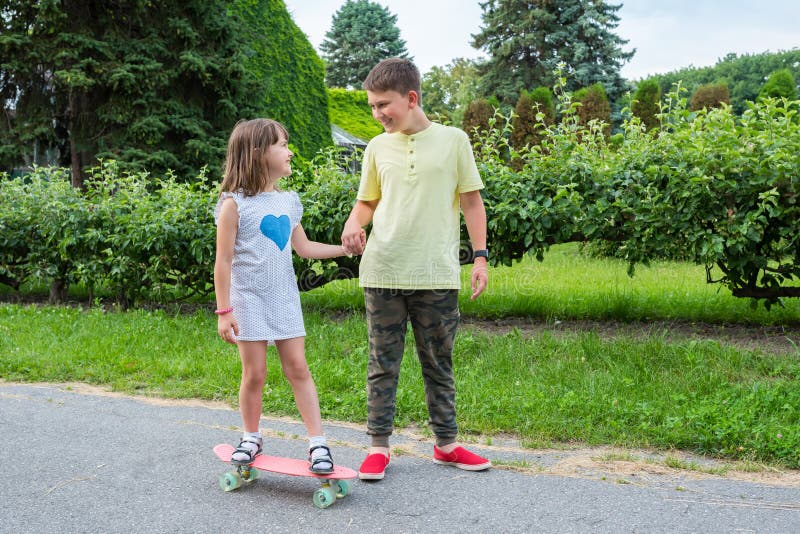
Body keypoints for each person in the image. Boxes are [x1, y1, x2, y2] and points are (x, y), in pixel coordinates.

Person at [341, 58, 491, 481]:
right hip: (383, 272)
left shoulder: (454, 141)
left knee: (438, 361)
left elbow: (472, 202)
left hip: (436, 273)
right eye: (372, 106)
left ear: (411, 98)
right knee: (381, 362)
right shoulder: (376, 147)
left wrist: (480, 257)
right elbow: (367, 203)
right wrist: (354, 225)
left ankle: (445, 444)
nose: (377, 114)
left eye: (382, 104)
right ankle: (377, 447)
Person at [214, 118, 349, 474]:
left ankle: (317, 443)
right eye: (283, 145)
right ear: (258, 153)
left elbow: (303, 248)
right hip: (247, 300)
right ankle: (251, 437)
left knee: (298, 368)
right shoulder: (234, 204)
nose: (290, 152)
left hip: (283, 297)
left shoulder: (289, 201)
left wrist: (345, 249)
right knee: (254, 373)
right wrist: (224, 311)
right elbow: (223, 263)